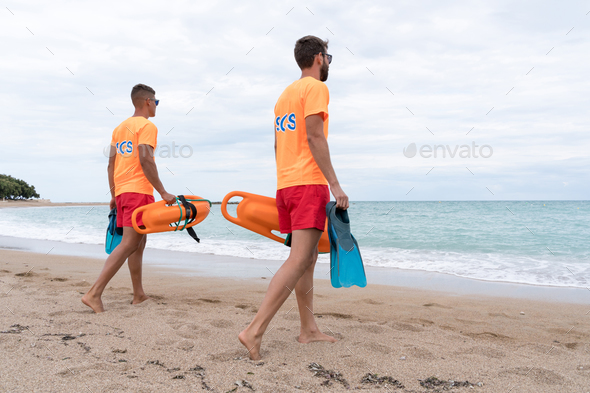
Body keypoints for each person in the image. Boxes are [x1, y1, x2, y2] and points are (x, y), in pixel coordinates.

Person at [239, 36, 349, 360]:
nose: (328, 62)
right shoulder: (315, 88)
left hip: (286, 184)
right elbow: (315, 135)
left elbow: (277, 145)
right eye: (328, 56)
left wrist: (286, 181)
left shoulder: (284, 96)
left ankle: (308, 329)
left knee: (308, 258)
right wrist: (335, 184)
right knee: (299, 258)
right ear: (318, 57)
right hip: (307, 184)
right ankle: (254, 330)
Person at [82, 84, 176, 313]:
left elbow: (110, 165)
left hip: (124, 192)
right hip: (137, 192)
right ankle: (94, 293)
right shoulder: (146, 126)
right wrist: (163, 192)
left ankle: (138, 294)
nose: (156, 106)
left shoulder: (119, 128)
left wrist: (114, 195)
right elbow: (146, 160)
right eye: (156, 101)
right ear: (147, 101)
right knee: (130, 243)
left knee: (138, 243)